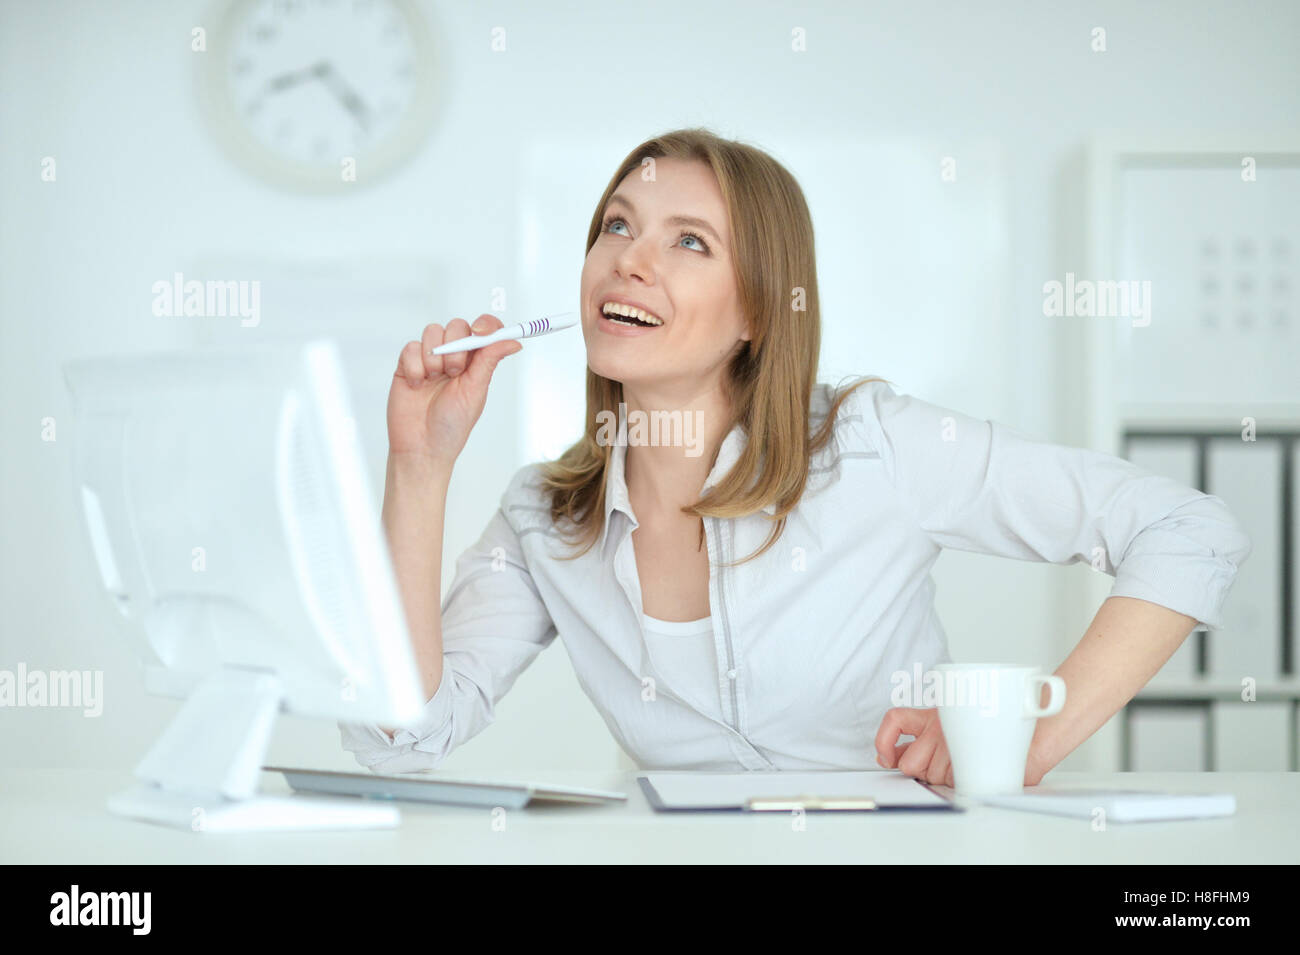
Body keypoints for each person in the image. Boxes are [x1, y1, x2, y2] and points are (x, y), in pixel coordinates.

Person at [340, 127, 1251, 783]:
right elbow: (403, 735)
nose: (629, 260)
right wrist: (419, 466)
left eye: (688, 241)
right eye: (616, 226)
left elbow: (1189, 529)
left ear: (758, 313)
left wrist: (1033, 736)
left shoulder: (874, 446)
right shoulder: (546, 517)